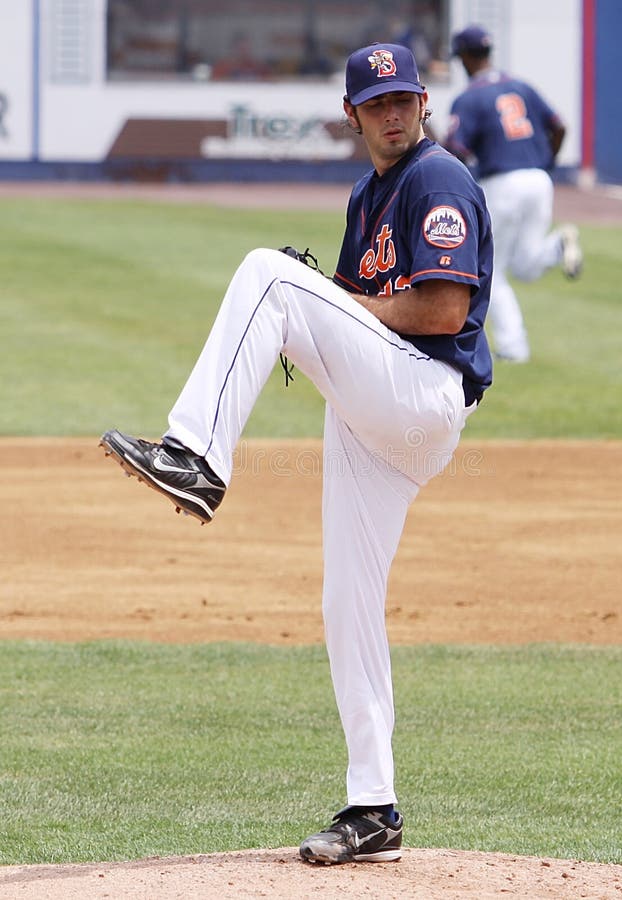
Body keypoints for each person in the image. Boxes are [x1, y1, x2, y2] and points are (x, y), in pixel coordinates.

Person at [100, 42, 493, 865]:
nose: (391, 113)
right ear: (352, 116)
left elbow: (441, 308)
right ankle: (372, 804)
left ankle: (197, 457)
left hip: (423, 392)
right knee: (345, 600)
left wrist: (326, 306)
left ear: (423, 101)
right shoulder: (366, 195)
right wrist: (335, 315)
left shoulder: (438, 179)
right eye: (375, 103)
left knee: (269, 274)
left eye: (402, 99)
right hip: (374, 415)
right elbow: (359, 308)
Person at [445, 25, 583, 363]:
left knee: (491, 270)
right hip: (538, 179)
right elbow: (560, 125)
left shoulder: (469, 97)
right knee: (525, 266)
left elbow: (455, 148)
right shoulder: (521, 86)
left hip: (502, 183)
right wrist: (547, 162)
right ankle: (557, 245)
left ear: (464, 57)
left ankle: (513, 347)